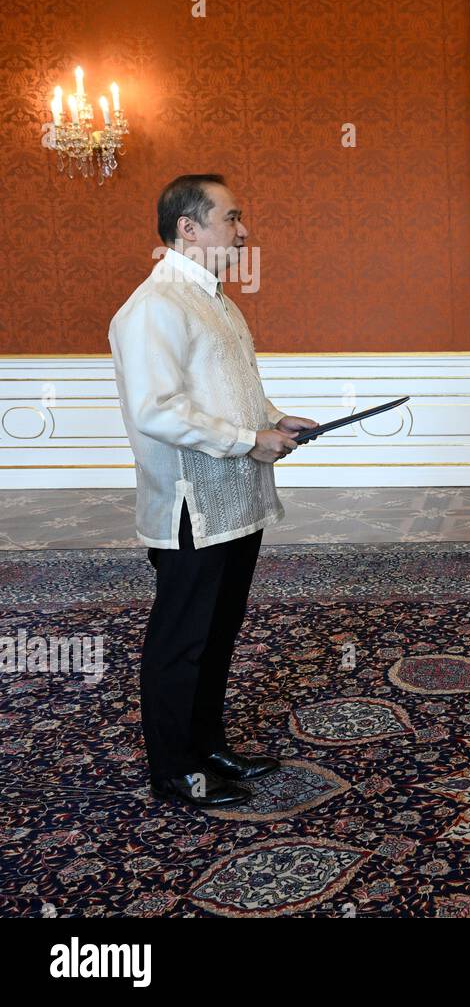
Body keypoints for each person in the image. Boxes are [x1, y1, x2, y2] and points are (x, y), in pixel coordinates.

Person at [108, 174, 318, 809]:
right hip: (189, 503)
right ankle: (176, 772)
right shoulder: (154, 306)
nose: (244, 229)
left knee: (219, 630)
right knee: (182, 641)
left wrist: (272, 421)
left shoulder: (217, 300)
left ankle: (208, 744)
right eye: (232, 217)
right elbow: (156, 410)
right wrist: (245, 439)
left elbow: (229, 392)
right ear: (188, 229)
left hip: (235, 498)